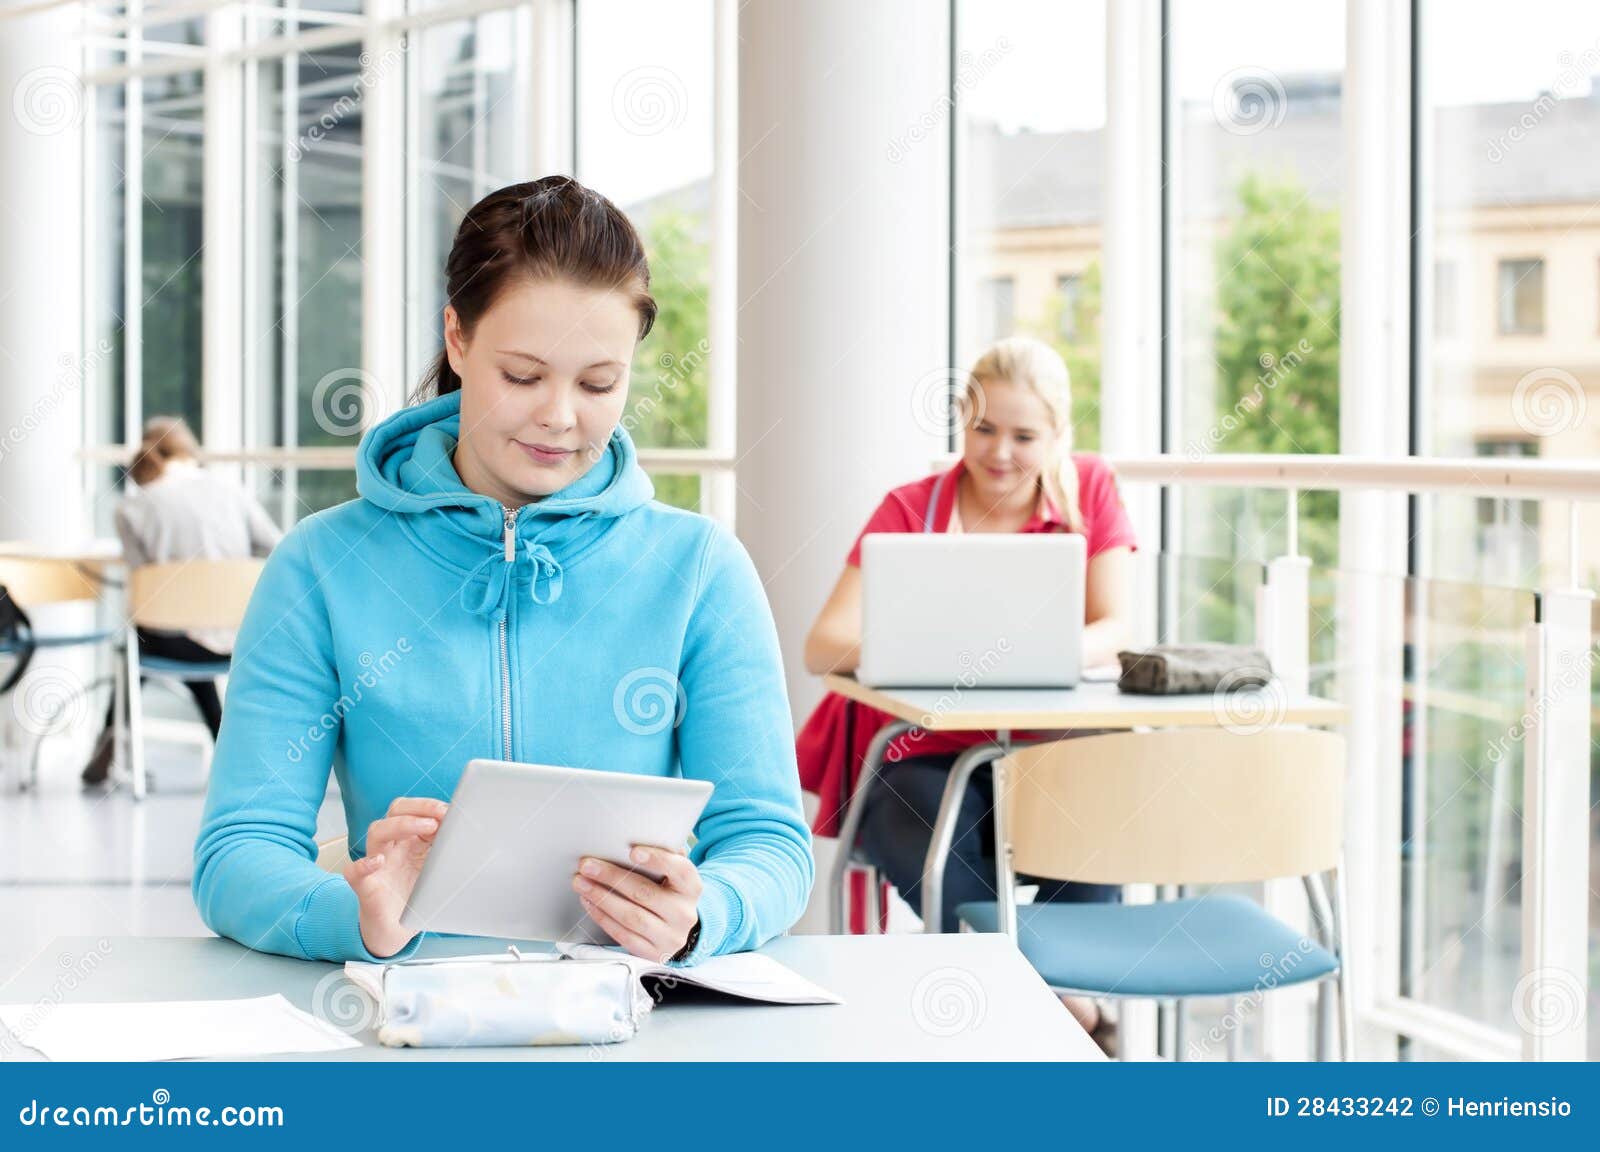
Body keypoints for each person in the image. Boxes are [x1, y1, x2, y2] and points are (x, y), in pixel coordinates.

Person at [192, 175, 813, 966]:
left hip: (626, 1010)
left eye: (599, 383)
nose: (560, 415)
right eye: (523, 375)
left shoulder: (700, 570)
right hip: (403, 1010)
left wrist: (701, 916)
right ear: (457, 338)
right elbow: (237, 851)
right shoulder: (319, 566)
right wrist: (355, 917)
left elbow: (768, 843)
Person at [798, 336, 1136, 1035]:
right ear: (960, 420)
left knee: (1094, 801)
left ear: (1058, 437)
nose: (999, 452)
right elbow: (823, 644)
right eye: (983, 429)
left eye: (1024, 436)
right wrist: (931, 651)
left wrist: (1042, 652)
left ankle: (1054, 997)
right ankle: (1053, 1008)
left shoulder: (1090, 488)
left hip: (1047, 746)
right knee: (917, 827)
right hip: (924, 750)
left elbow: (1115, 625)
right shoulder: (910, 508)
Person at [81, 416, 282, 788]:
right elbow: (278, 547)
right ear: (188, 449)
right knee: (184, 638)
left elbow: (142, 583)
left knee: (139, 639)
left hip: (172, 639)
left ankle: (110, 739)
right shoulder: (231, 491)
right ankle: (228, 751)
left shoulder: (131, 508)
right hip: (237, 637)